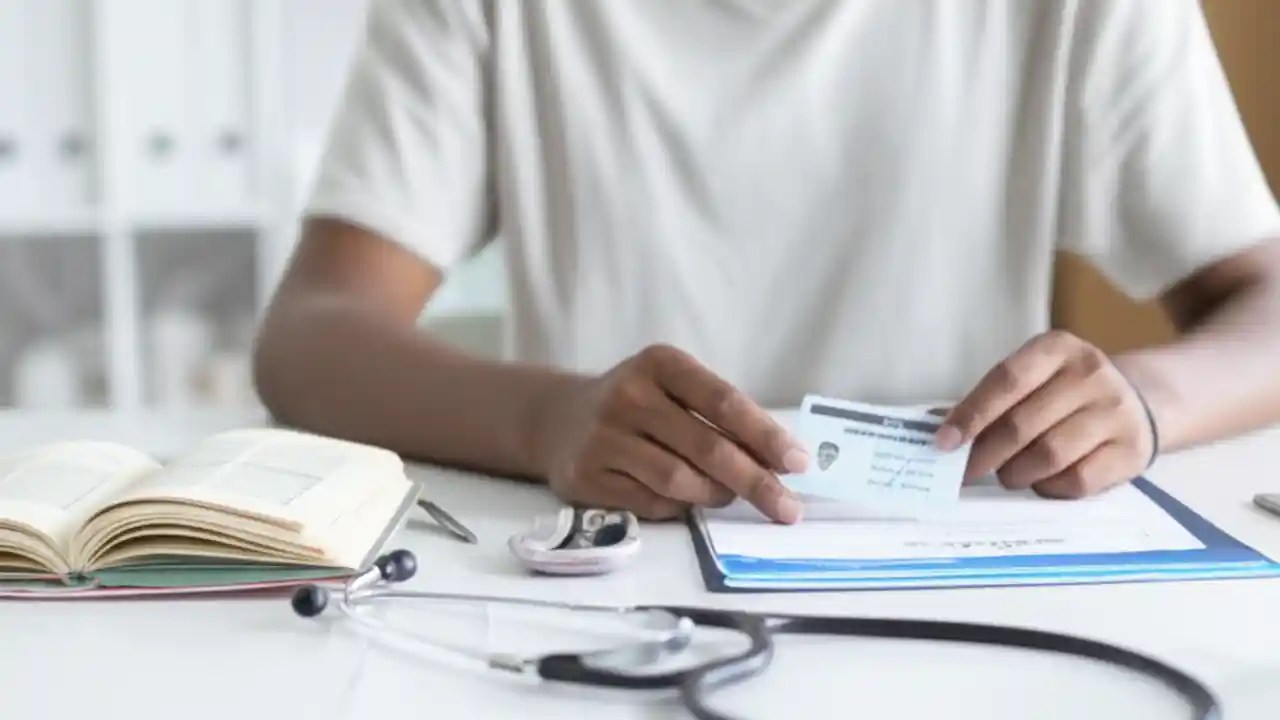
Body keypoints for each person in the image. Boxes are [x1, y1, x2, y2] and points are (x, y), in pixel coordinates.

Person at [253, 0, 1280, 525]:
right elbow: (311, 330)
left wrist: (1143, 400)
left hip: (960, 575)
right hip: (609, 587)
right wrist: (548, 419)